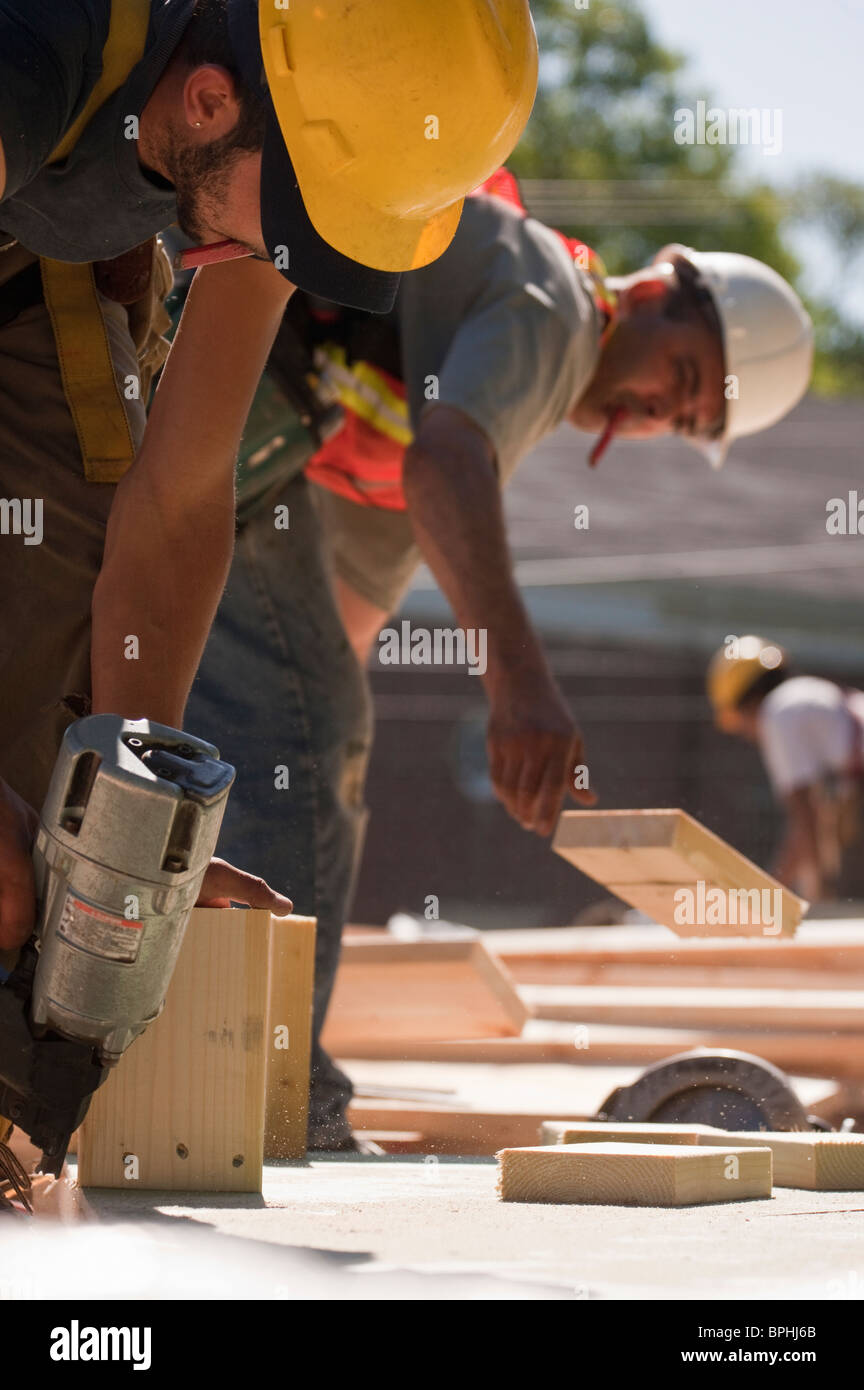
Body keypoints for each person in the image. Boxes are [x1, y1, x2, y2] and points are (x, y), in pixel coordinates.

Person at [182, 169, 815, 1146]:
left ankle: (208, 1068)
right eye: (680, 378)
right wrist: (519, 685)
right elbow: (445, 465)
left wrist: (325, 766)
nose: (652, 411)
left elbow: (333, 650)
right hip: (196, 380)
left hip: (211, 432)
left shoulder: (471, 389)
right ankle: (259, 1095)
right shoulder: (549, 304)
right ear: (650, 292)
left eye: (682, 422)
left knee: (309, 735)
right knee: (304, 734)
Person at [0, 0, 539, 949]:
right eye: (295, 221)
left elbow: (180, 497)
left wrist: (133, 828)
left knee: (48, 765)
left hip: (37, 248)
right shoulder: (44, 37)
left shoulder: (270, 99)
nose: (286, 256)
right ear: (208, 101)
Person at [707, 636, 864, 903]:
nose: (746, 735)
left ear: (746, 702)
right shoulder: (804, 694)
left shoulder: (778, 714)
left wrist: (771, 896)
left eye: (738, 723)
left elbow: (805, 818)